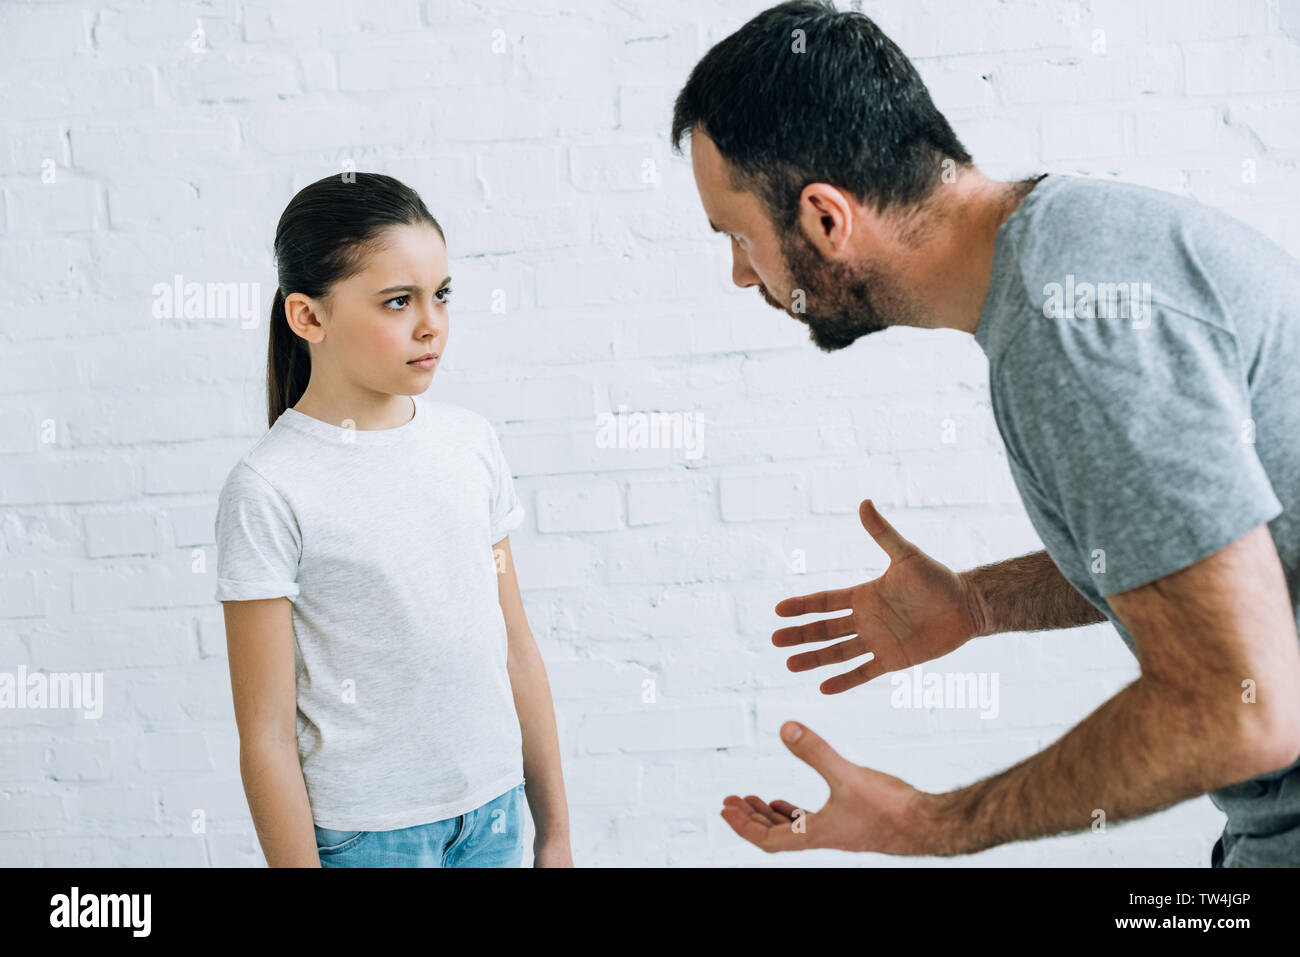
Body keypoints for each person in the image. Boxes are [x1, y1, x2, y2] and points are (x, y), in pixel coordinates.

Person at [672, 0, 1300, 865]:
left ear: (825, 218)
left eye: (739, 238)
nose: (742, 274)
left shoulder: (1067, 328)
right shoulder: (1073, 250)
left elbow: (1238, 709)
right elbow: (1213, 560)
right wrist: (979, 603)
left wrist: (926, 824)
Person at [213, 173, 572, 867]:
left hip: (494, 814)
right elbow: (265, 735)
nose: (430, 322)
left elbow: (516, 646)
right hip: (367, 836)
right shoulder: (269, 489)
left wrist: (554, 830)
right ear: (307, 318)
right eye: (398, 301)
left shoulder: (471, 444)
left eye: (440, 294)